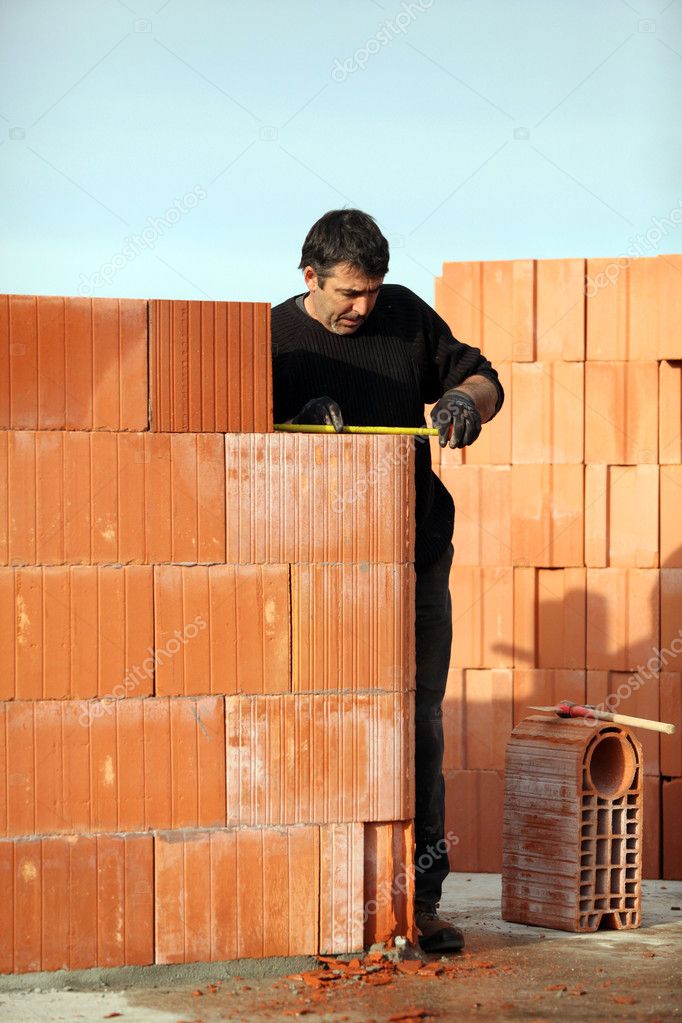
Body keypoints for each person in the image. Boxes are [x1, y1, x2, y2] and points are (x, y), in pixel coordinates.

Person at [271, 209, 504, 953]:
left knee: (421, 726)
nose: (362, 308)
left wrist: (468, 401)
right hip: (323, 568)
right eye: (348, 293)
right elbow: (237, 439)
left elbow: (485, 375)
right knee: (324, 721)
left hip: (417, 553)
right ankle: (324, 900)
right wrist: (294, 420)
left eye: (371, 292)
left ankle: (423, 903)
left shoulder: (404, 315)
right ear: (309, 277)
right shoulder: (274, 337)